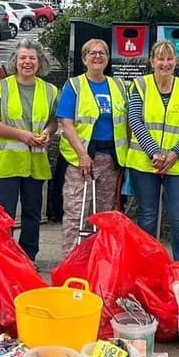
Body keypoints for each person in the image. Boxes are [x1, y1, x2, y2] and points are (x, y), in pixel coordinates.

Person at [0, 39, 59, 260]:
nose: (27, 62)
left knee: (32, 213)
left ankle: (28, 257)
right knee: (4, 215)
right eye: (23, 58)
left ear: (40, 62)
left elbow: (53, 121)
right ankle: (4, 258)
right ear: (15, 61)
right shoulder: (0, 88)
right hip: (8, 161)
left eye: (32, 58)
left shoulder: (50, 90)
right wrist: (23, 135)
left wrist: (47, 132)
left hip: (35, 162)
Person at [126, 40, 179, 264]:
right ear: (152, 61)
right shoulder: (140, 85)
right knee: (147, 215)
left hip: (177, 163)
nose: (165, 63)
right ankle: (146, 264)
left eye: (170, 58)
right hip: (145, 162)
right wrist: (154, 151)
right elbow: (135, 120)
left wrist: (177, 152)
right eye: (160, 58)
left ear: (176, 61)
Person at [57, 38, 129, 255]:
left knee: (103, 214)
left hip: (110, 160)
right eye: (92, 53)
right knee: (76, 211)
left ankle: (96, 259)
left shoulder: (119, 86)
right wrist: (81, 155)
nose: (97, 56)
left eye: (102, 53)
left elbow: (125, 122)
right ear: (84, 59)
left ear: (108, 58)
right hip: (82, 160)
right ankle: (71, 259)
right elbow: (66, 123)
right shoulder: (74, 86)